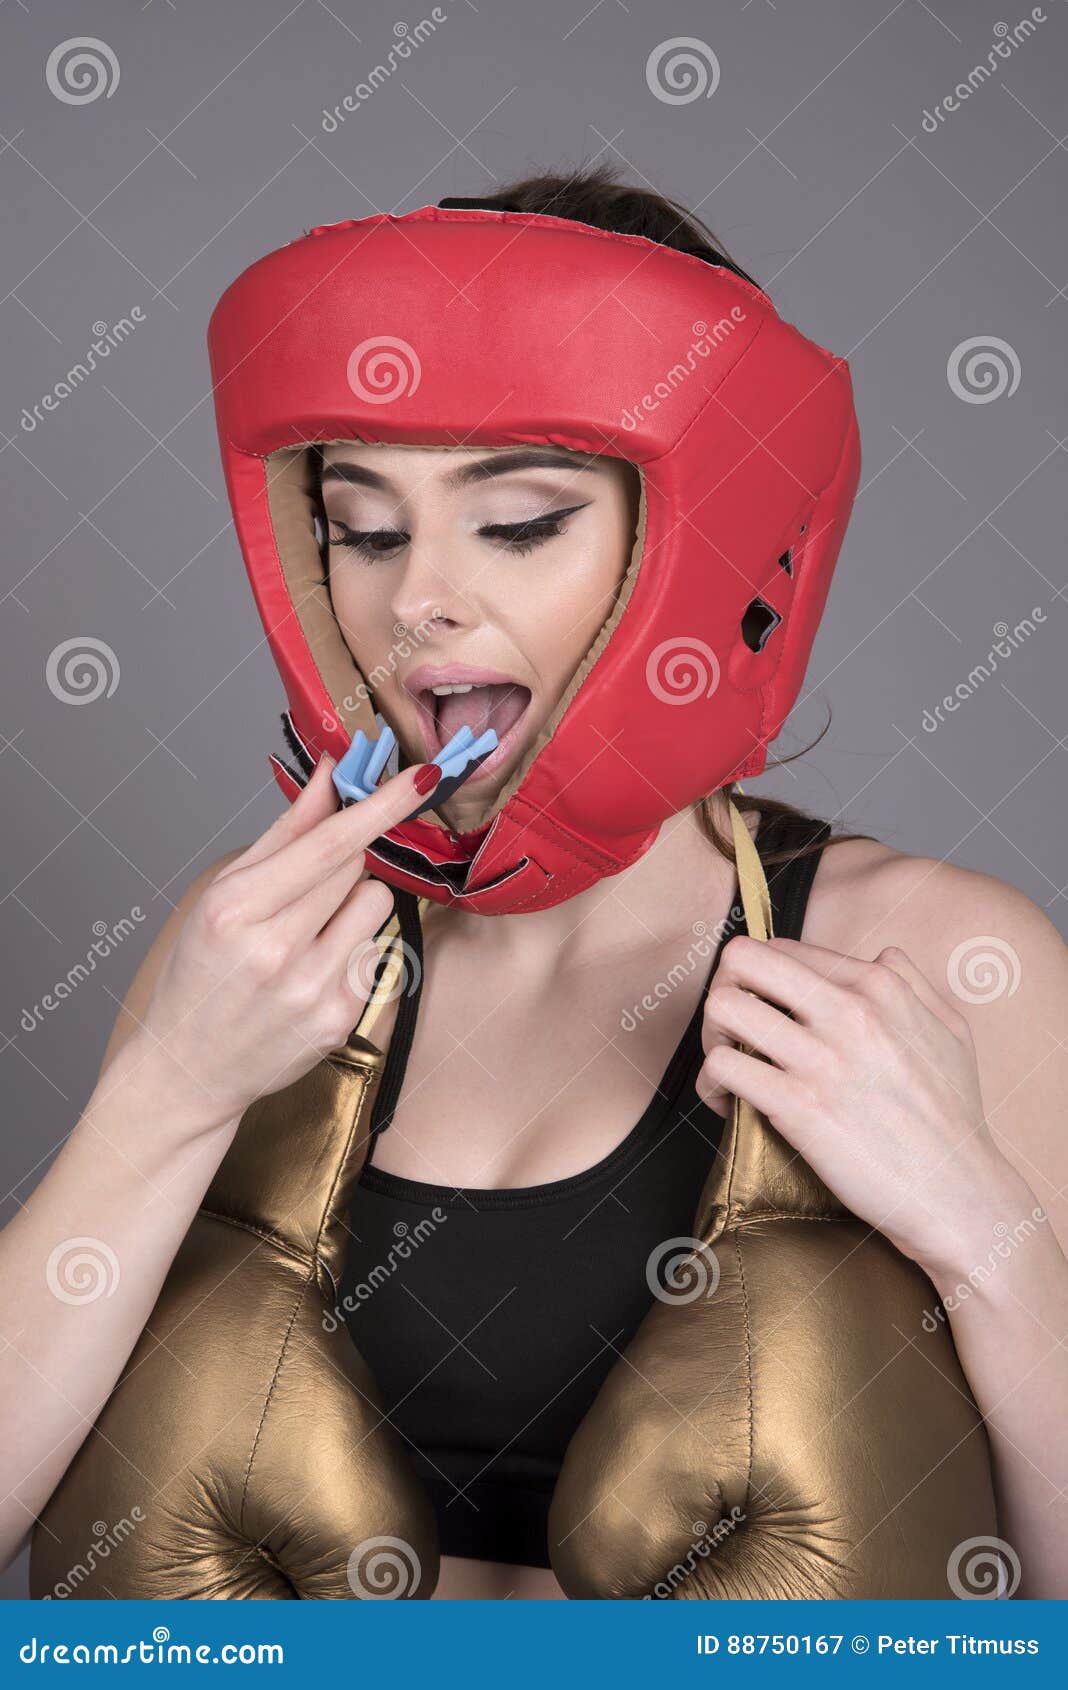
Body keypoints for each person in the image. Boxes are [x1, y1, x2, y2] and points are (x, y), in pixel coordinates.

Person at [2, 166, 1066, 1602]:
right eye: (365, 527)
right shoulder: (266, 958)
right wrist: (169, 1085)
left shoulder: (931, 956)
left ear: (702, 553)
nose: (418, 598)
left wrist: (990, 1242)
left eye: (517, 523)